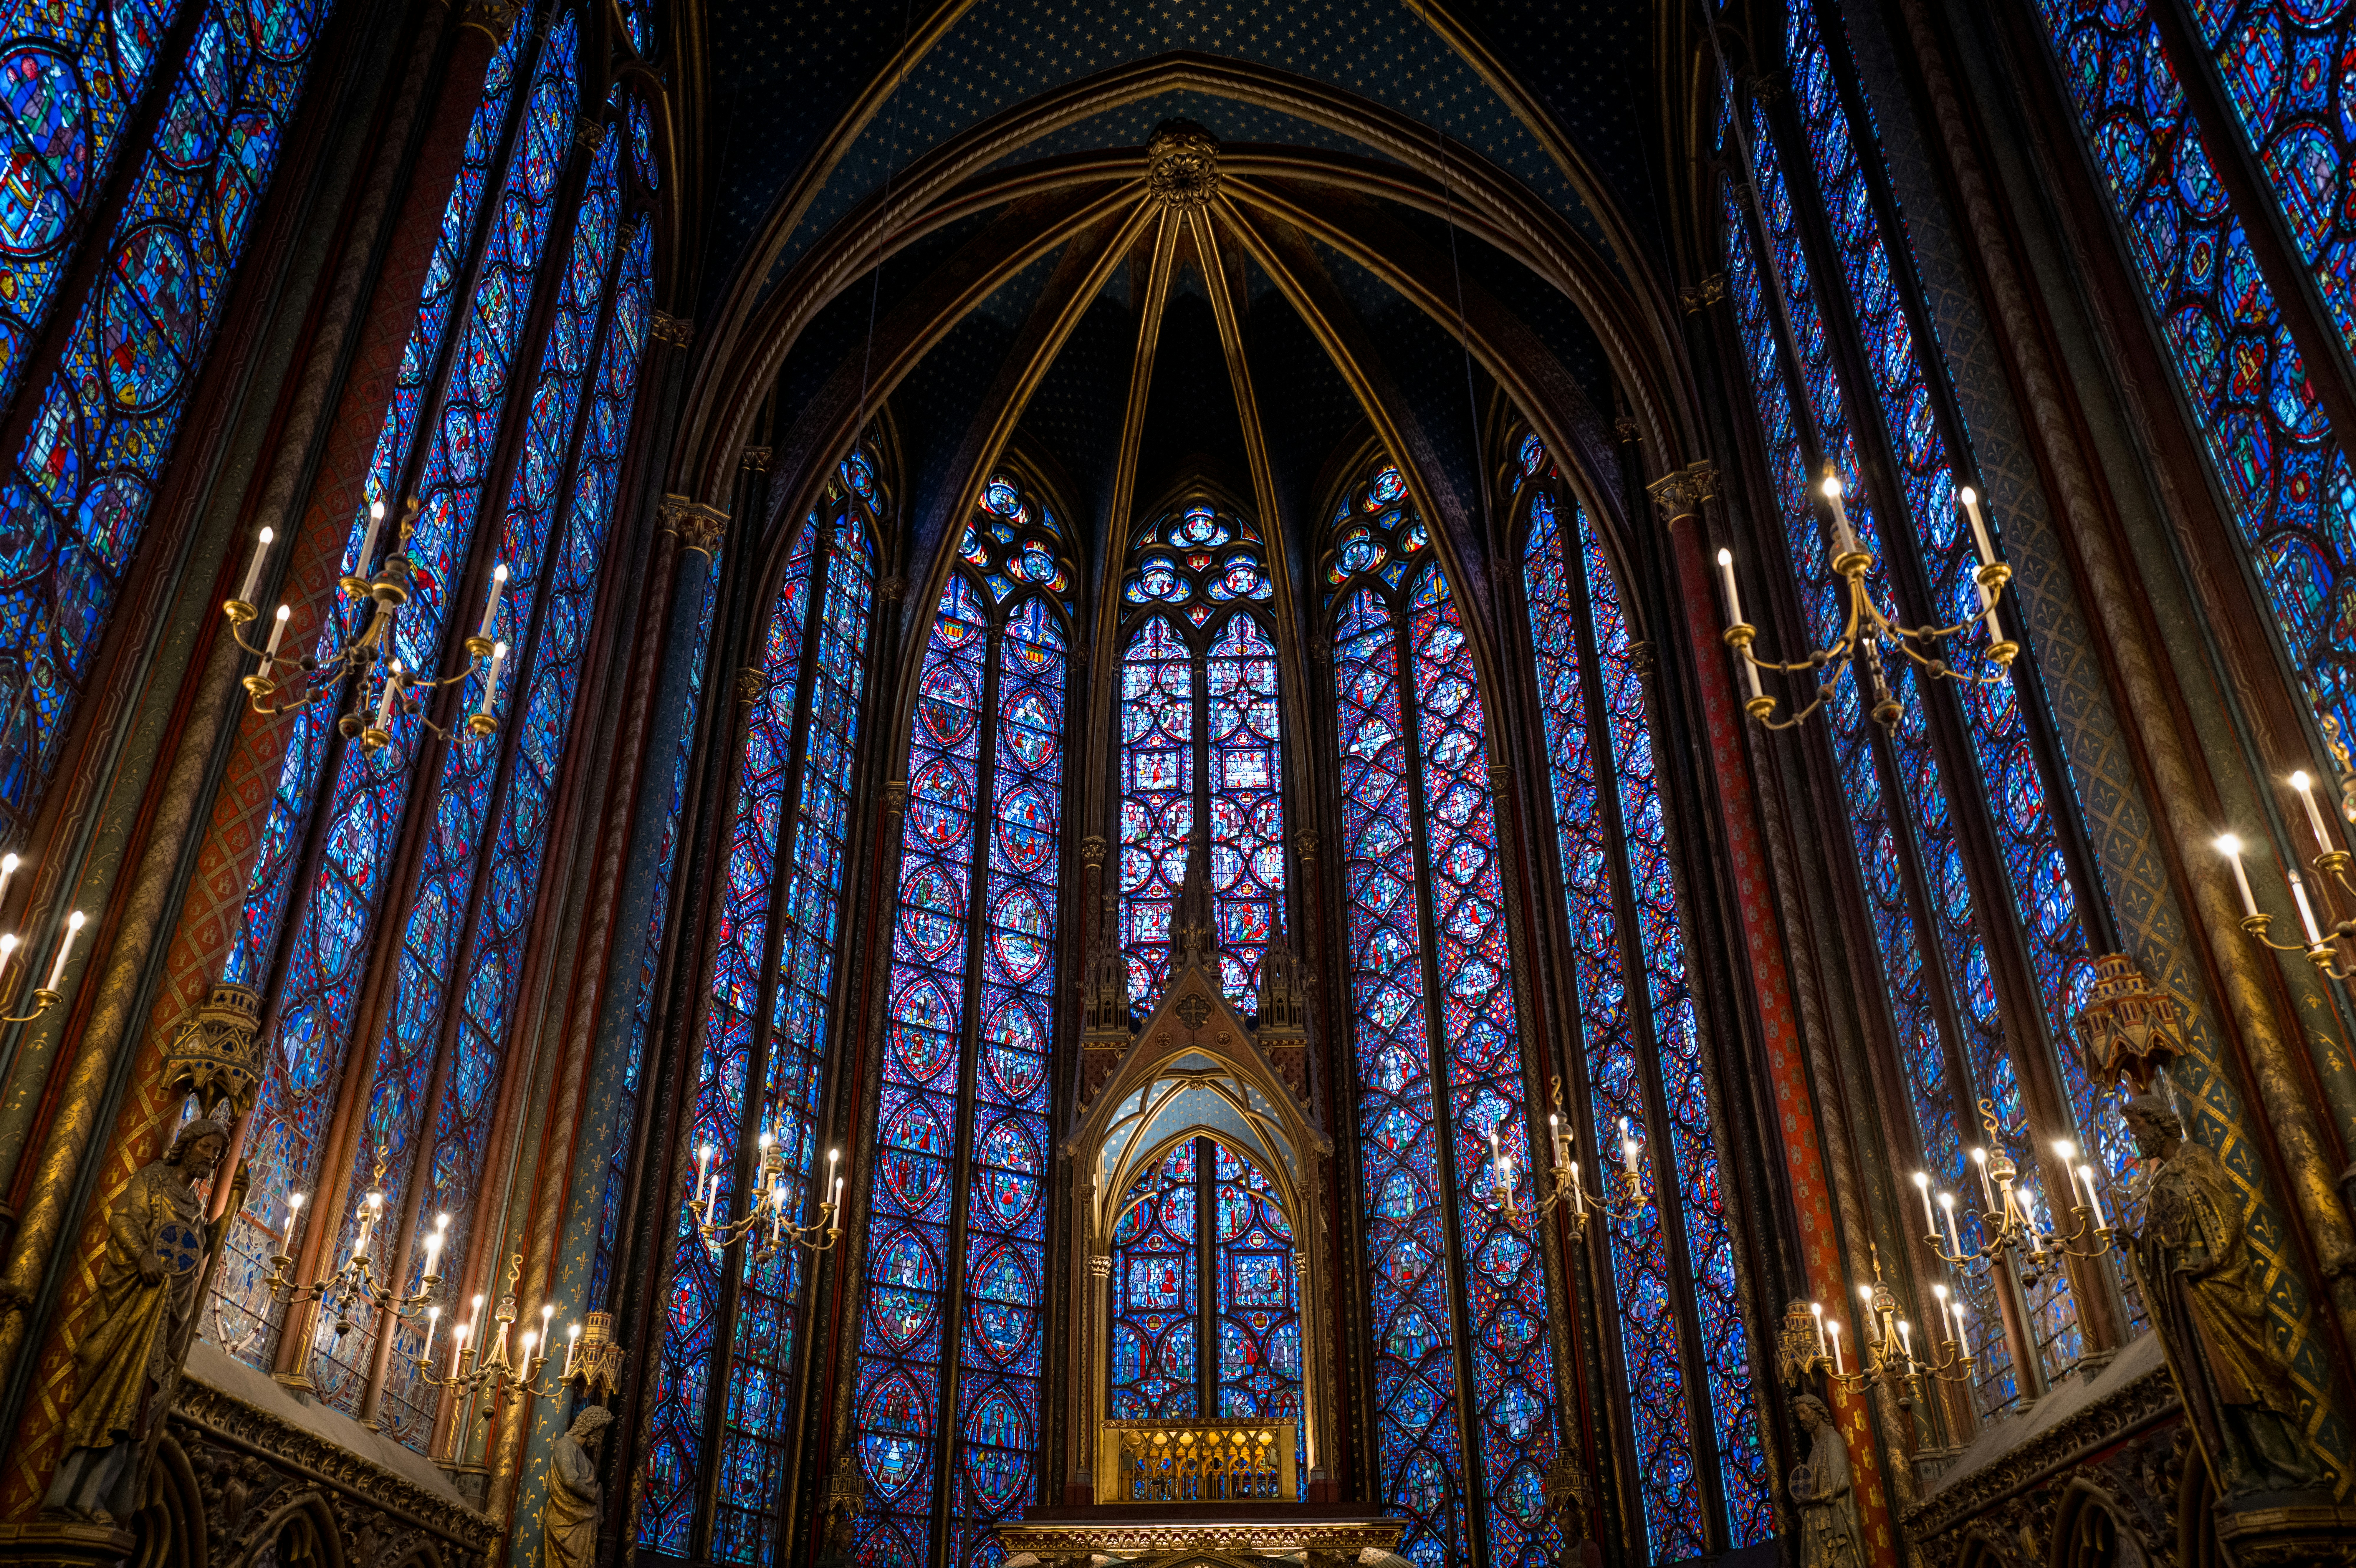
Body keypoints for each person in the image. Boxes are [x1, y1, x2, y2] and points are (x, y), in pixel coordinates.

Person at [2122, 1095, 2319, 1496]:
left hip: (2218, 1284)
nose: (2133, 1136)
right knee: (2213, 1383)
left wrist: (2211, 1260)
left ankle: (2288, 1466)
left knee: (2243, 1376)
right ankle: (2244, 1465)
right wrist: (2138, 1245)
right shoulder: (2160, 1178)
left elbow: (2225, 1211)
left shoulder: (2195, 1159)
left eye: (2137, 1127)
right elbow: (2168, 1235)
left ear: (2160, 1124)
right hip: (2187, 1294)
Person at [44, 1118, 230, 1522]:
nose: (212, 1159)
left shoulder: (195, 1206)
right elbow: (123, 1220)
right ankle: (69, 1494)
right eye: (207, 1148)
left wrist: (216, 1232)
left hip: (163, 1320)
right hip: (131, 1308)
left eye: (217, 1153)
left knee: (140, 1405)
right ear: (188, 1144)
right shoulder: (154, 1180)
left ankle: (98, 1496)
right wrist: (142, 1255)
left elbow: (189, 1254)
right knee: (111, 1393)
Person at [1789, 1394, 1865, 1568]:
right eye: (1798, 1414)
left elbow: (1842, 1483)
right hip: (1817, 1521)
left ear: (1817, 1411)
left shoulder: (1833, 1440)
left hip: (1835, 1519)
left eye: (1804, 1412)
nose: (1801, 1418)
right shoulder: (1816, 1448)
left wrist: (1812, 1499)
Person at [542, 1405, 615, 1568]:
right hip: (567, 1520)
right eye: (601, 1432)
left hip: (583, 1519)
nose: (601, 1437)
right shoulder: (565, 1445)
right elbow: (570, 1481)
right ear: (591, 1428)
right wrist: (593, 1495)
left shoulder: (579, 1452)